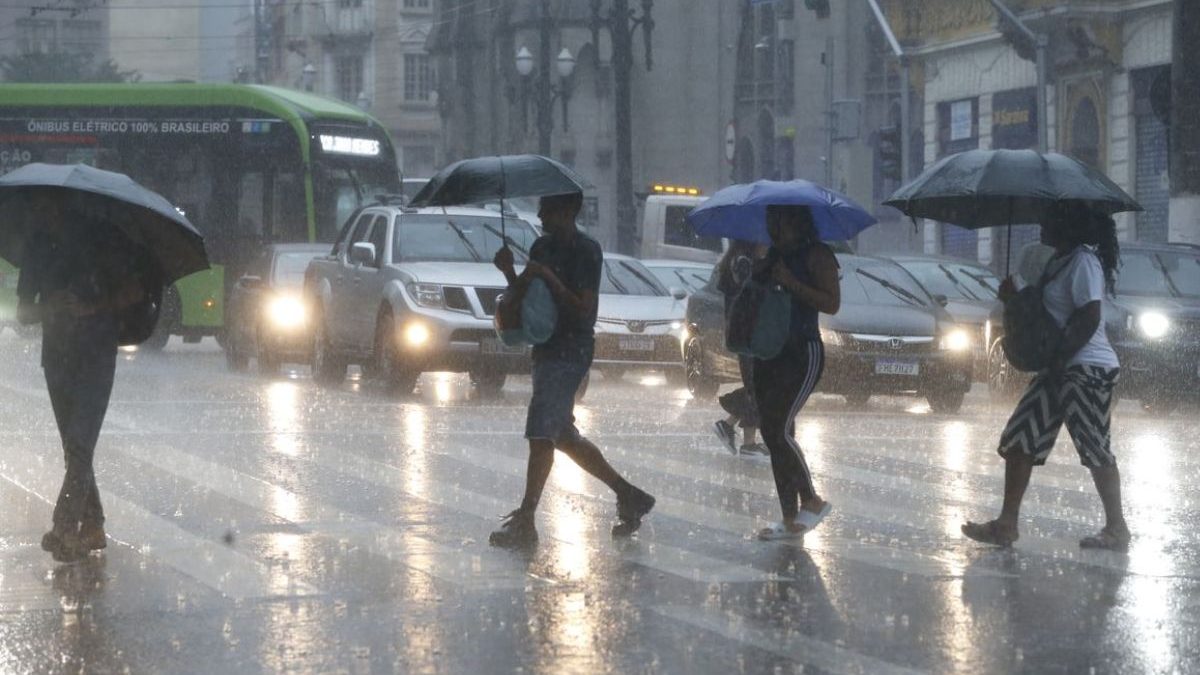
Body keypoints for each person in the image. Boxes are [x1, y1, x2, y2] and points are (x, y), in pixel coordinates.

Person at [490, 191, 656, 547]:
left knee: (541, 433)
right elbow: (527, 299)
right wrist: (509, 272)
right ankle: (629, 495)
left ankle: (526, 517)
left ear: (567, 211)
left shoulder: (587, 251)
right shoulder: (540, 248)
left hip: (571, 350)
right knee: (560, 433)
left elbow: (583, 308)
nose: (541, 216)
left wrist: (548, 277)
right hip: (545, 348)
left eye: (547, 210)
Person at [963, 206, 1131, 551]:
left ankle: (1117, 528)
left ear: (1068, 224)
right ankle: (1006, 524)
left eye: (1050, 219)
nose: (1041, 225)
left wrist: (1058, 359)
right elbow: (1045, 313)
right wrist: (1014, 298)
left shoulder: (1084, 261)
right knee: (1020, 438)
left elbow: (1089, 316)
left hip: (1086, 369)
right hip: (1058, 369)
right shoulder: (1058, 261)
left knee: (1094, 445)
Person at [17, 189, 147, 563]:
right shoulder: (37, 247)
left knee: (79, 445)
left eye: (42, 204)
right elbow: (24, 312)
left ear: (59, 203)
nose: (37, 211)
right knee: (75, 448)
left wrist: (93, 306)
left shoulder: (101, 239)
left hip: (95, 355)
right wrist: (49, 306)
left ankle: (64, 527)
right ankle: (94, 526)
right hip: (56, 359)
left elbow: (134, 290)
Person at [753, 205, 841, 540]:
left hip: (802, 351)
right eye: (771, 219)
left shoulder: (818, 255)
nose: (774, 224)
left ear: (797, 221)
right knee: (775, 433)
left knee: (777, 430)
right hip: (768, 351)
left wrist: (791, 282)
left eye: (780, 218)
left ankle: (812, 499)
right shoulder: (773, 254)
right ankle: (789, 517)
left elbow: (831, 303)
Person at [712, 240, 768, 455]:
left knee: (756, 387)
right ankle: (746, 441)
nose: (767, 245)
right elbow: (750, 297)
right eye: (764, 242)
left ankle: (732, 427)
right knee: (757, 387)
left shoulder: (735, 261)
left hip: (743, 333)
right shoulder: (744, 264)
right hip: (749, 334)